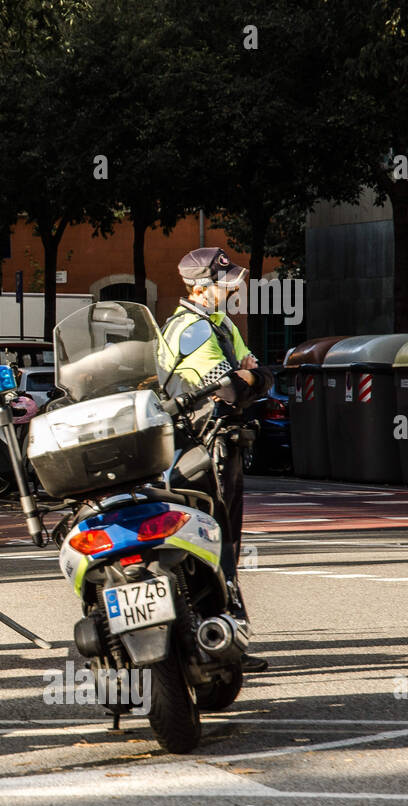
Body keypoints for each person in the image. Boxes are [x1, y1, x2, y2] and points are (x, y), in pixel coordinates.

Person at [155, 247, 274, 672]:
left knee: (227, 543)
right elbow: (232, 389)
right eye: (225, 282)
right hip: (204, 449)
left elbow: (255, 373)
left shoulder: (218, 323)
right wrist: (248, 377)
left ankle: (225, 637)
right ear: (200, 287)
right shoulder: (191, 329)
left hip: (222, 444)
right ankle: (213, 639)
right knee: (214, 542)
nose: (233, 287)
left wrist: (252, 375)